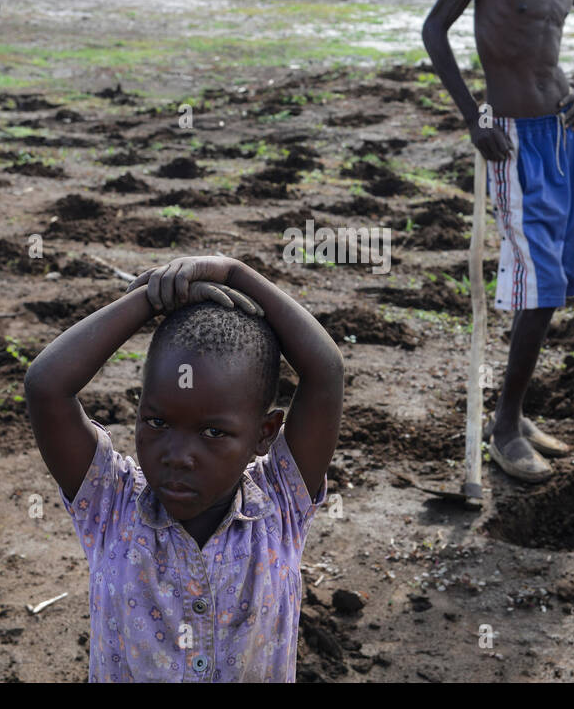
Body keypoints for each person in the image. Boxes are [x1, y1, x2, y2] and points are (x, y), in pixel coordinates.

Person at [25, 255, 344, 682]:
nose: (177, 455)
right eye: (157, 423)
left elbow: (325, 372)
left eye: (213, 432)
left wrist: (234, 273)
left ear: (265, 434)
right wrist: (148, 301)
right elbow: (46, 387)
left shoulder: (280, 503)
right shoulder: (111, 504)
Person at [422, 0, 574, 483]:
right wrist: (474, 116)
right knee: (542, 285)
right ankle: (503, 430)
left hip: (563, 135)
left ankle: (516, 411)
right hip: (513, 139)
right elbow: (434, 29)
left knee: (558, 282)